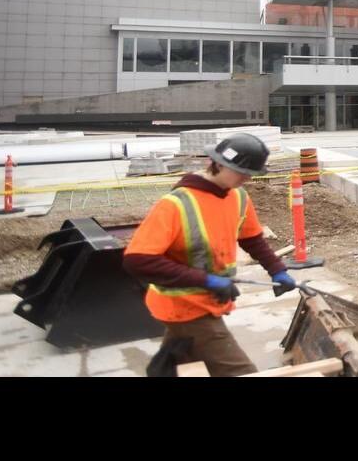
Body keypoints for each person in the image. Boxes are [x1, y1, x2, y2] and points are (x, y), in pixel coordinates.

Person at [124, 133, 297, 377]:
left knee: (183, 354)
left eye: (251, 174)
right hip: (184, 307)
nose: (246, 179)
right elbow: (137, 260)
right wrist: (207, 280)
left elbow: (252, 239)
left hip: (207, 302)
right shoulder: (176, 204)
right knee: (242, 372)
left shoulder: (238, 197)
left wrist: (277, 269)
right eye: (241, 172)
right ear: (217, 164)